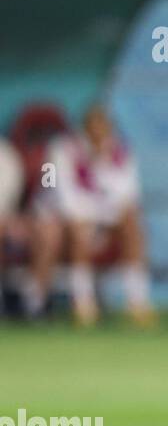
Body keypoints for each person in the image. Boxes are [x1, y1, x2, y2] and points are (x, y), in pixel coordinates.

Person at [35, 105, 155, 326]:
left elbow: (128, 194)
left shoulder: (119, 152)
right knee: (78, 228)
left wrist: (101, 165)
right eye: (94, 129)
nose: (100, 135)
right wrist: (91, 217)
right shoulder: (62, 150)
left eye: (104, 129)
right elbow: (63, 196)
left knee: (132, 224)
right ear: (85, 129)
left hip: (103, 216)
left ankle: (137, 301)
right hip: (65, 218)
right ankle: (83, 303)